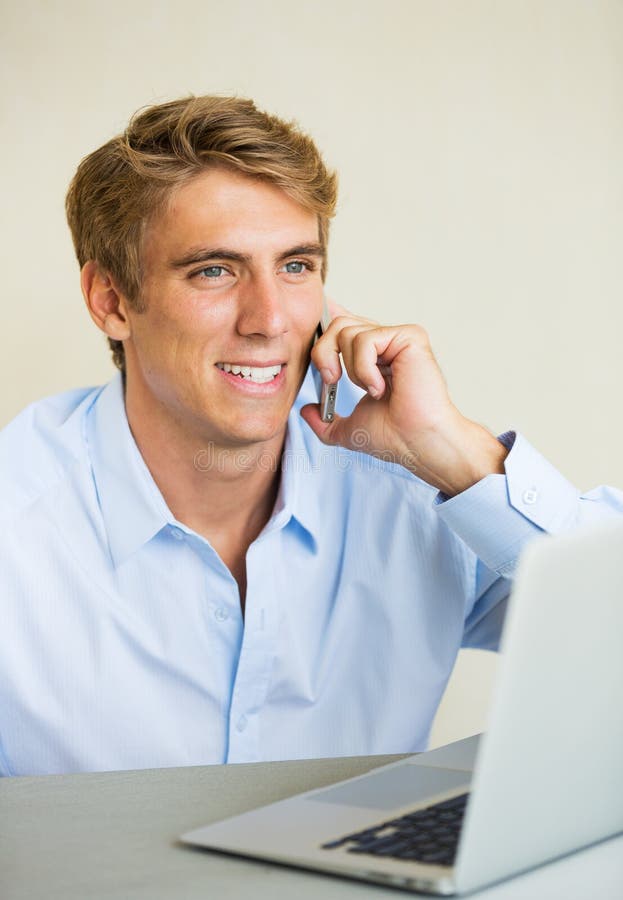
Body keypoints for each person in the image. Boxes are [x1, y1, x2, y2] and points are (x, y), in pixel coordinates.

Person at [0, 96, 620, 777]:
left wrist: (456, 454)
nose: (269, 319)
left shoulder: (411, 487)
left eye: (296, 266)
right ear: (111, 301)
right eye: (214, 270)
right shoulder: (19, 525)